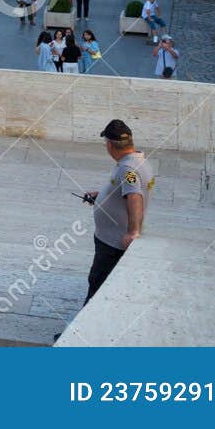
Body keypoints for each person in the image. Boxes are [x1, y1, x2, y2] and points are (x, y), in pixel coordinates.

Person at [84, 120, 153, 301]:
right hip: (111, 239)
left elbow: (135, 196)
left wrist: (132, 232)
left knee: (98, 283)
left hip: (112, 242)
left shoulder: (128, 168)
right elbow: (127, 191)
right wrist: (101, 197)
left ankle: (82, 329)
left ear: (109, 144)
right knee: (98, 282)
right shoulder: (137, 161)